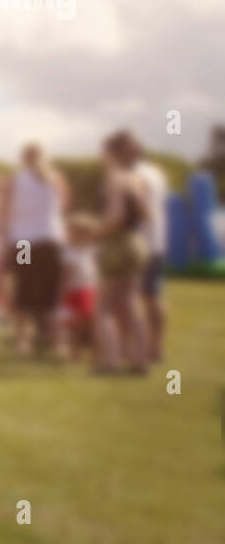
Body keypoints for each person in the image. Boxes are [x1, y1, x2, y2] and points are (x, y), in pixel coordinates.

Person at [2, 143, 69, 355]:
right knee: (52, 291)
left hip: (23, 241)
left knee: (23, 286)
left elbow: (4, 210)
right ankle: (56, 340)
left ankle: (23, 340)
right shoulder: (56, 179)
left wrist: (4, 236)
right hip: (51, 239)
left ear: (23, 158)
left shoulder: (14, 180)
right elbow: (63, 206)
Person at [94, 131, 151, 374]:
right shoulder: (137, 178)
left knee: (104, 307)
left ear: (112, 153)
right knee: (130, 302)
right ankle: (140, 362)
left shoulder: (115, 178)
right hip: (137, 242)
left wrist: (95, 231)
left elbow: (115, 217)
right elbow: (148, 215)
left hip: (117, 244)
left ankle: (110, 363)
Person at [133, 148, 169, 361]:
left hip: (139, 242)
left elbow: (141, 209)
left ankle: (135, 349)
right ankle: (156, 348)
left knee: (128, 296)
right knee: (153, 294)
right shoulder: (157, 173)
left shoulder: (135, 175)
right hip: (157, 240)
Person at [60, 213, 99, 359]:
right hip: (83, 290)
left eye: (69, 232)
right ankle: (77, 353)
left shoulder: (72, 253)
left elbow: (66, 275)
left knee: (80, 326)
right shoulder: (89, 251)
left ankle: (78, 353)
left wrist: (62, 292)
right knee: (80, 325)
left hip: (81, 291)